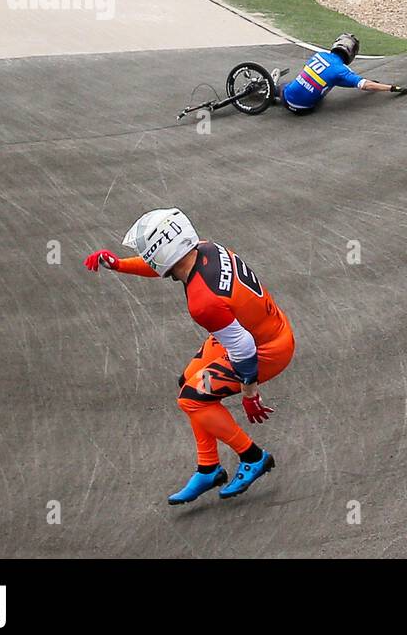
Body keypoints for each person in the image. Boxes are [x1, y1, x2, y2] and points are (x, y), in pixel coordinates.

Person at [84, 209, 294, 503]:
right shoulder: (205, 249)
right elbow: (162, 264)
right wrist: (118, 265)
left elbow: (243, 348)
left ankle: (253, 456)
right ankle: (209, 467)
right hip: (257, 328)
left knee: (191, 399)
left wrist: (249, 392)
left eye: (147, 253)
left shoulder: (202, 302)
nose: (147, 258)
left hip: (264, 349)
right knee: (189, 382)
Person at [269, 34, 407, 115]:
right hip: (305, 109)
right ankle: (271, 95)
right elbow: (365, 85)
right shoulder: (342, 71)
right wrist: (392, 88)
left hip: (288, 98)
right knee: (330, 82)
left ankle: (268, 91)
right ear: (351, 54)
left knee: (284, 86)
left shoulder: (319, 55)